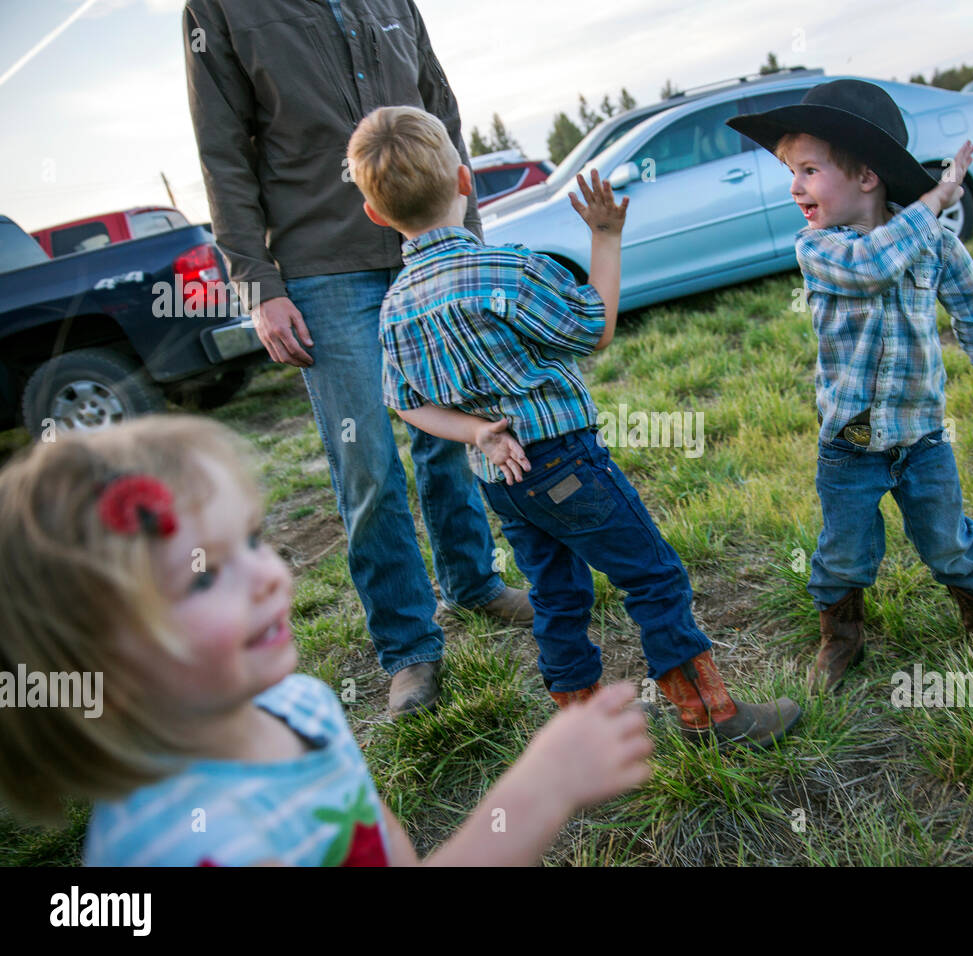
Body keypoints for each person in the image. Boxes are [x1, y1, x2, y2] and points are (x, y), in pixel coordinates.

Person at [0, 414, 652, 865]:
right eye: (202, 579)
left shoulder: (301, 705)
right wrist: (541, 788)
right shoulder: (186, 845)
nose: (266, 577)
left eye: (253, 540)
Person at [348, 106, 801, 749]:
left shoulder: (394, 309)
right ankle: (712, 715)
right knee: (652, 575)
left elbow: (406, 403)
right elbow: (598, 328)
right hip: (567, 463)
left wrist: (477, 433)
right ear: (464, 180)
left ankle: (583, 736)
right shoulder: (511, 269)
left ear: (375, 213)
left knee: (557, 593)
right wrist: (606, 238)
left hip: (501, 479)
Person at [182, 0, 531, 719]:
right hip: (321, 267)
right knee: (367, 463)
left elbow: (441, 111)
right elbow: (223, 153)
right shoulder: (217, 9)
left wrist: (470, 238)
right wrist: (258, 286)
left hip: (427, 245)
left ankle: (473, 583)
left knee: (450, 434)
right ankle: (408, 647)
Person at [727, 80, 973, 691]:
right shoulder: (819, 246)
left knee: (948, 542)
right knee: (844, 552)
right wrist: (935, 198)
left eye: (809, 170)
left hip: (923, 437)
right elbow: (873, 268)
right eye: (791, 171)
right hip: (849, 442)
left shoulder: (937, 243)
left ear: (867, 177)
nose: (794, 187)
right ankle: (841, 636)